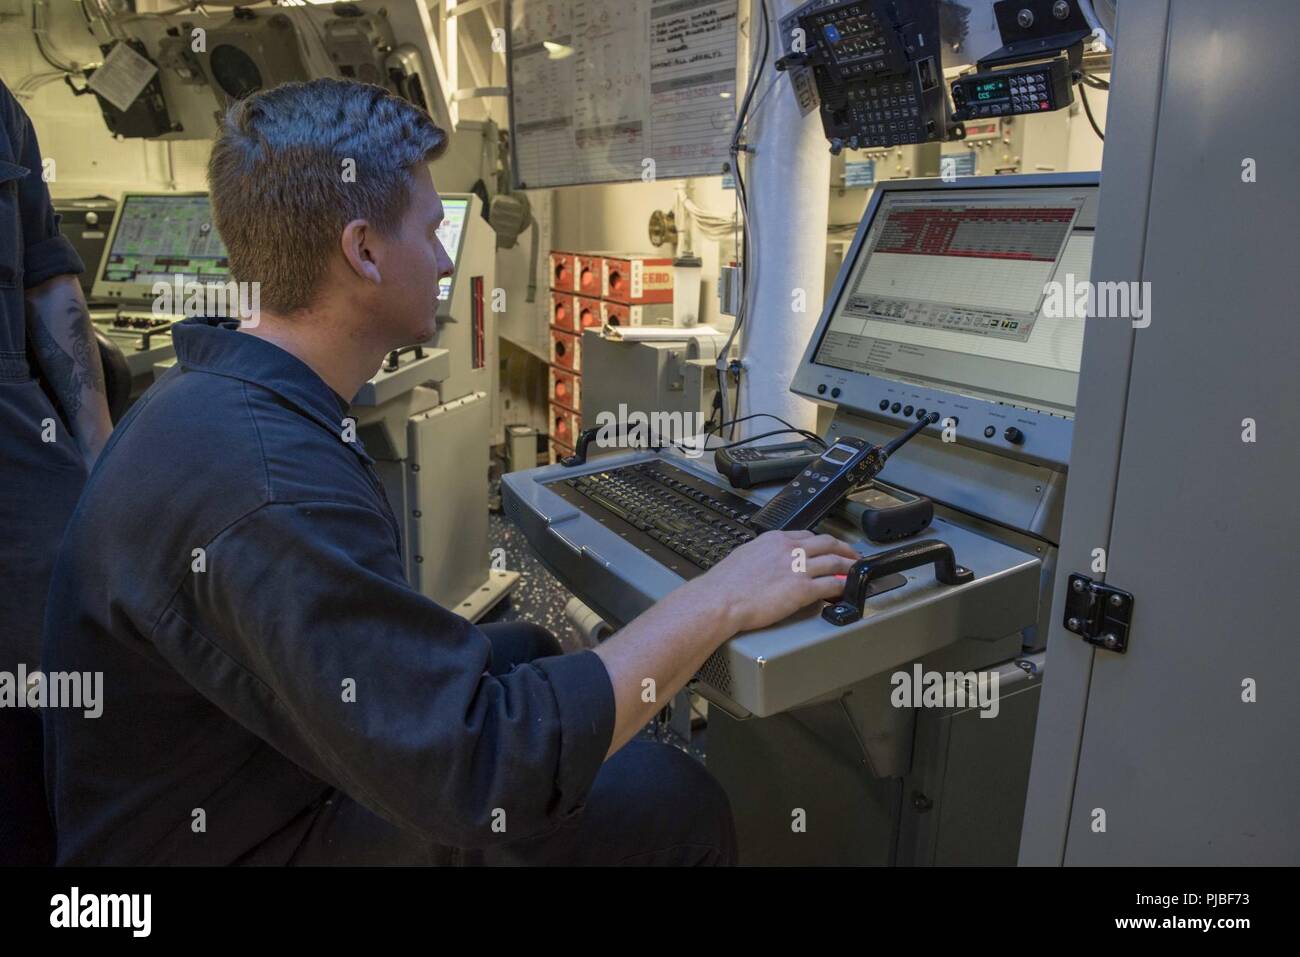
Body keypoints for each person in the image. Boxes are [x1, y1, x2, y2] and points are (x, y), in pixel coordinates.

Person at [41, 79, 857, 865]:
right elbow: (482, 771)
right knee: (673, 800)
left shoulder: (215, 397)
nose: (441, 259)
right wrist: (719, 597)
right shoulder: (269, 486)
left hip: (244, 783)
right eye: (430, 231)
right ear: (362, 250)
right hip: (242, 842)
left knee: (529, 645)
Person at [0, 78, 112, 864]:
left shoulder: (3, 111)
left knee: (46, 738)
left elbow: (49, 285)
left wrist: (102, 460)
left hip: (18, 489)